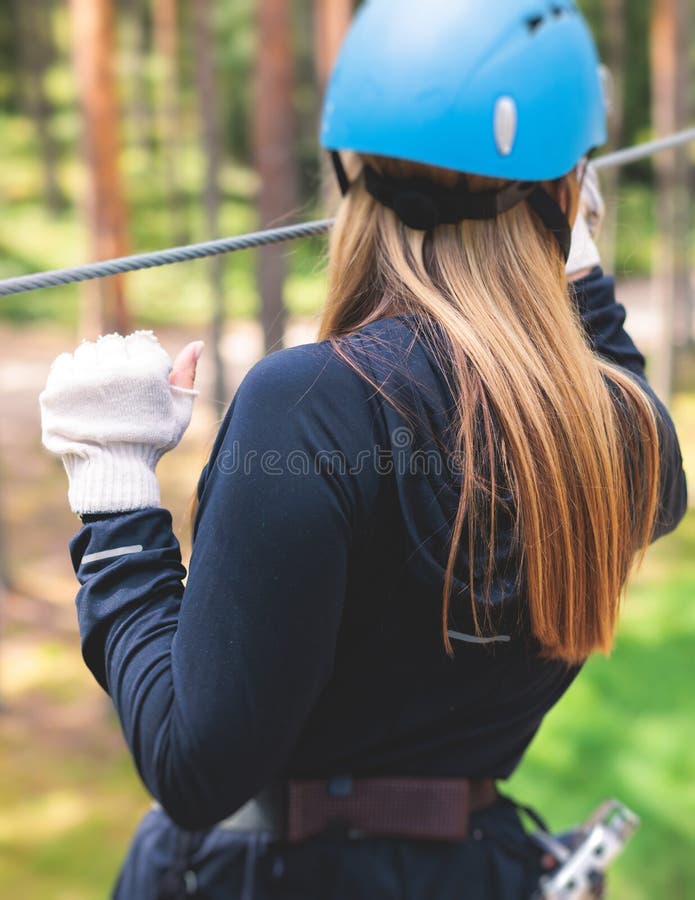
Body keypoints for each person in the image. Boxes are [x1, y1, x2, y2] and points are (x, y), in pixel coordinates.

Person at [40, 2, 687, 898]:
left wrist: (113, 495)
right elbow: (621, 391)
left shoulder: (309, 409)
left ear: (348, 167)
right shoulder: (622, 442)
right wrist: (575, 274)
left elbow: (196, 770)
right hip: (475, 875)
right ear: (572, 186)